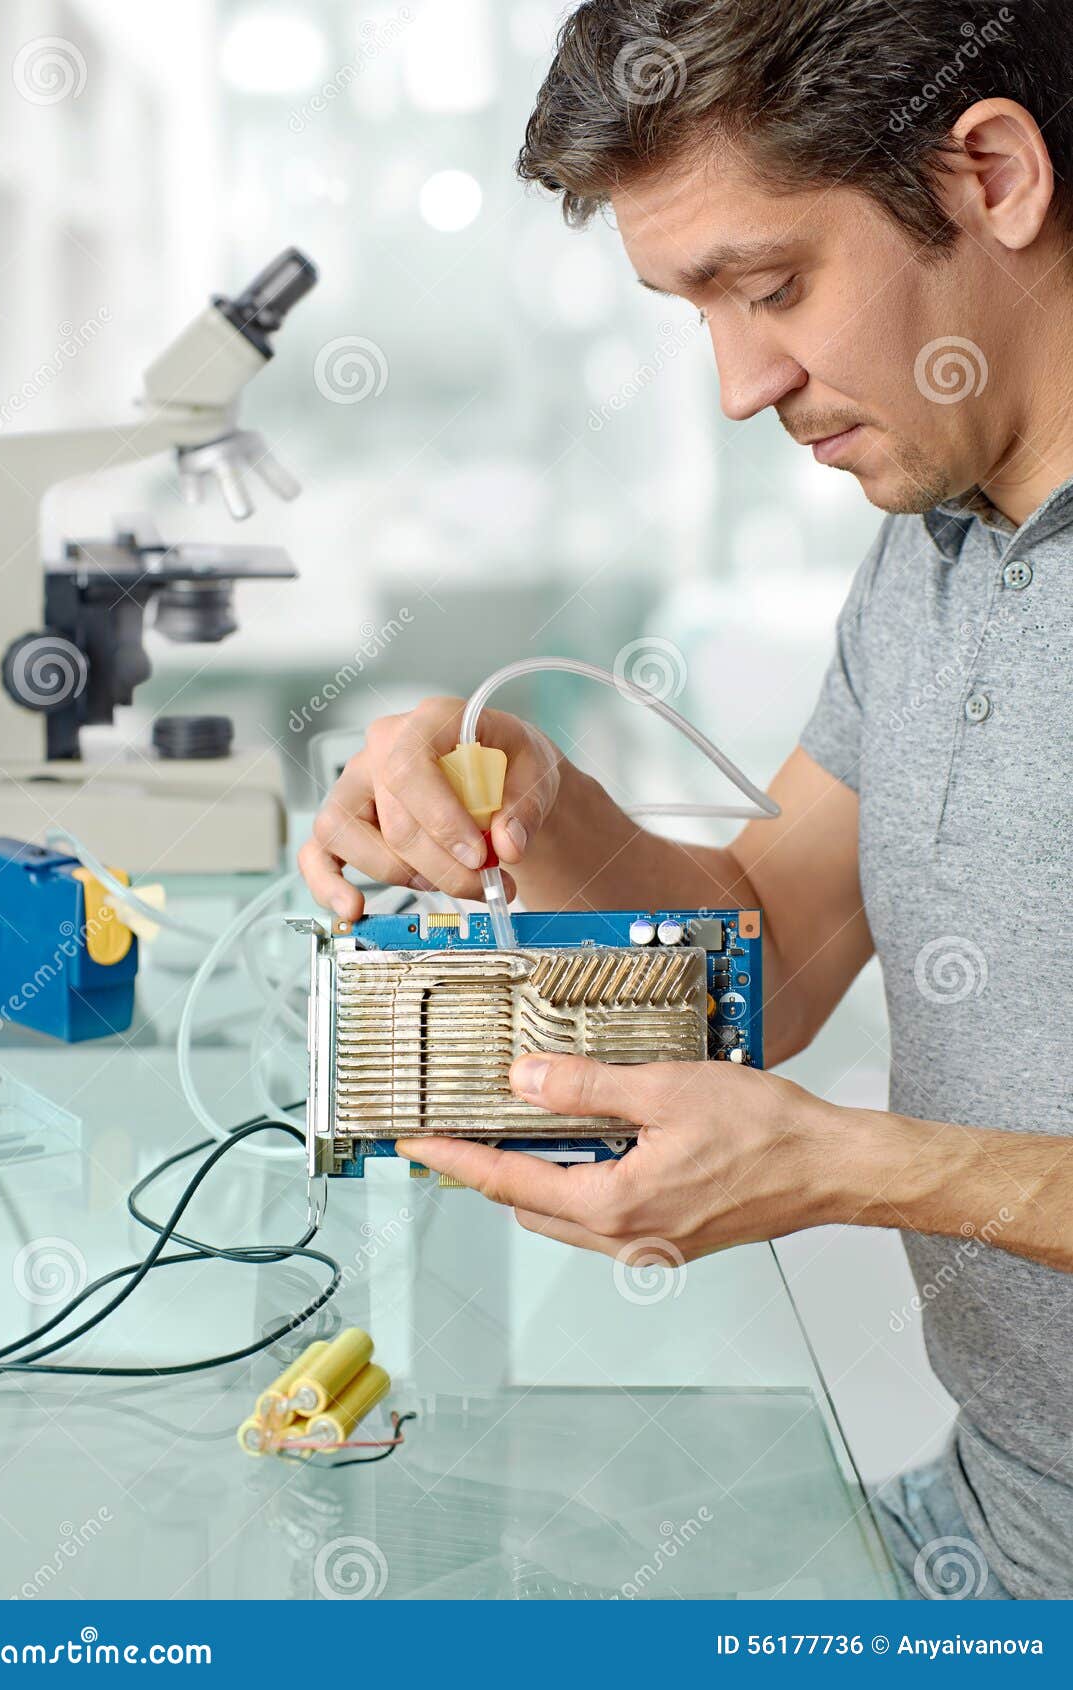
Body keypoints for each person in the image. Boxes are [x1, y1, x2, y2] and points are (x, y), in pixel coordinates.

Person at [299, 0, 1072, 1600]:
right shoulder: (934, 547)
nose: (740, 383)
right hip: (984, 1511)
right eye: (693, 309)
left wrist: (854, 1166)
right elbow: (769, 951)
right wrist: (536, 802)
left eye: (772, 286)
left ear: (990, 174)